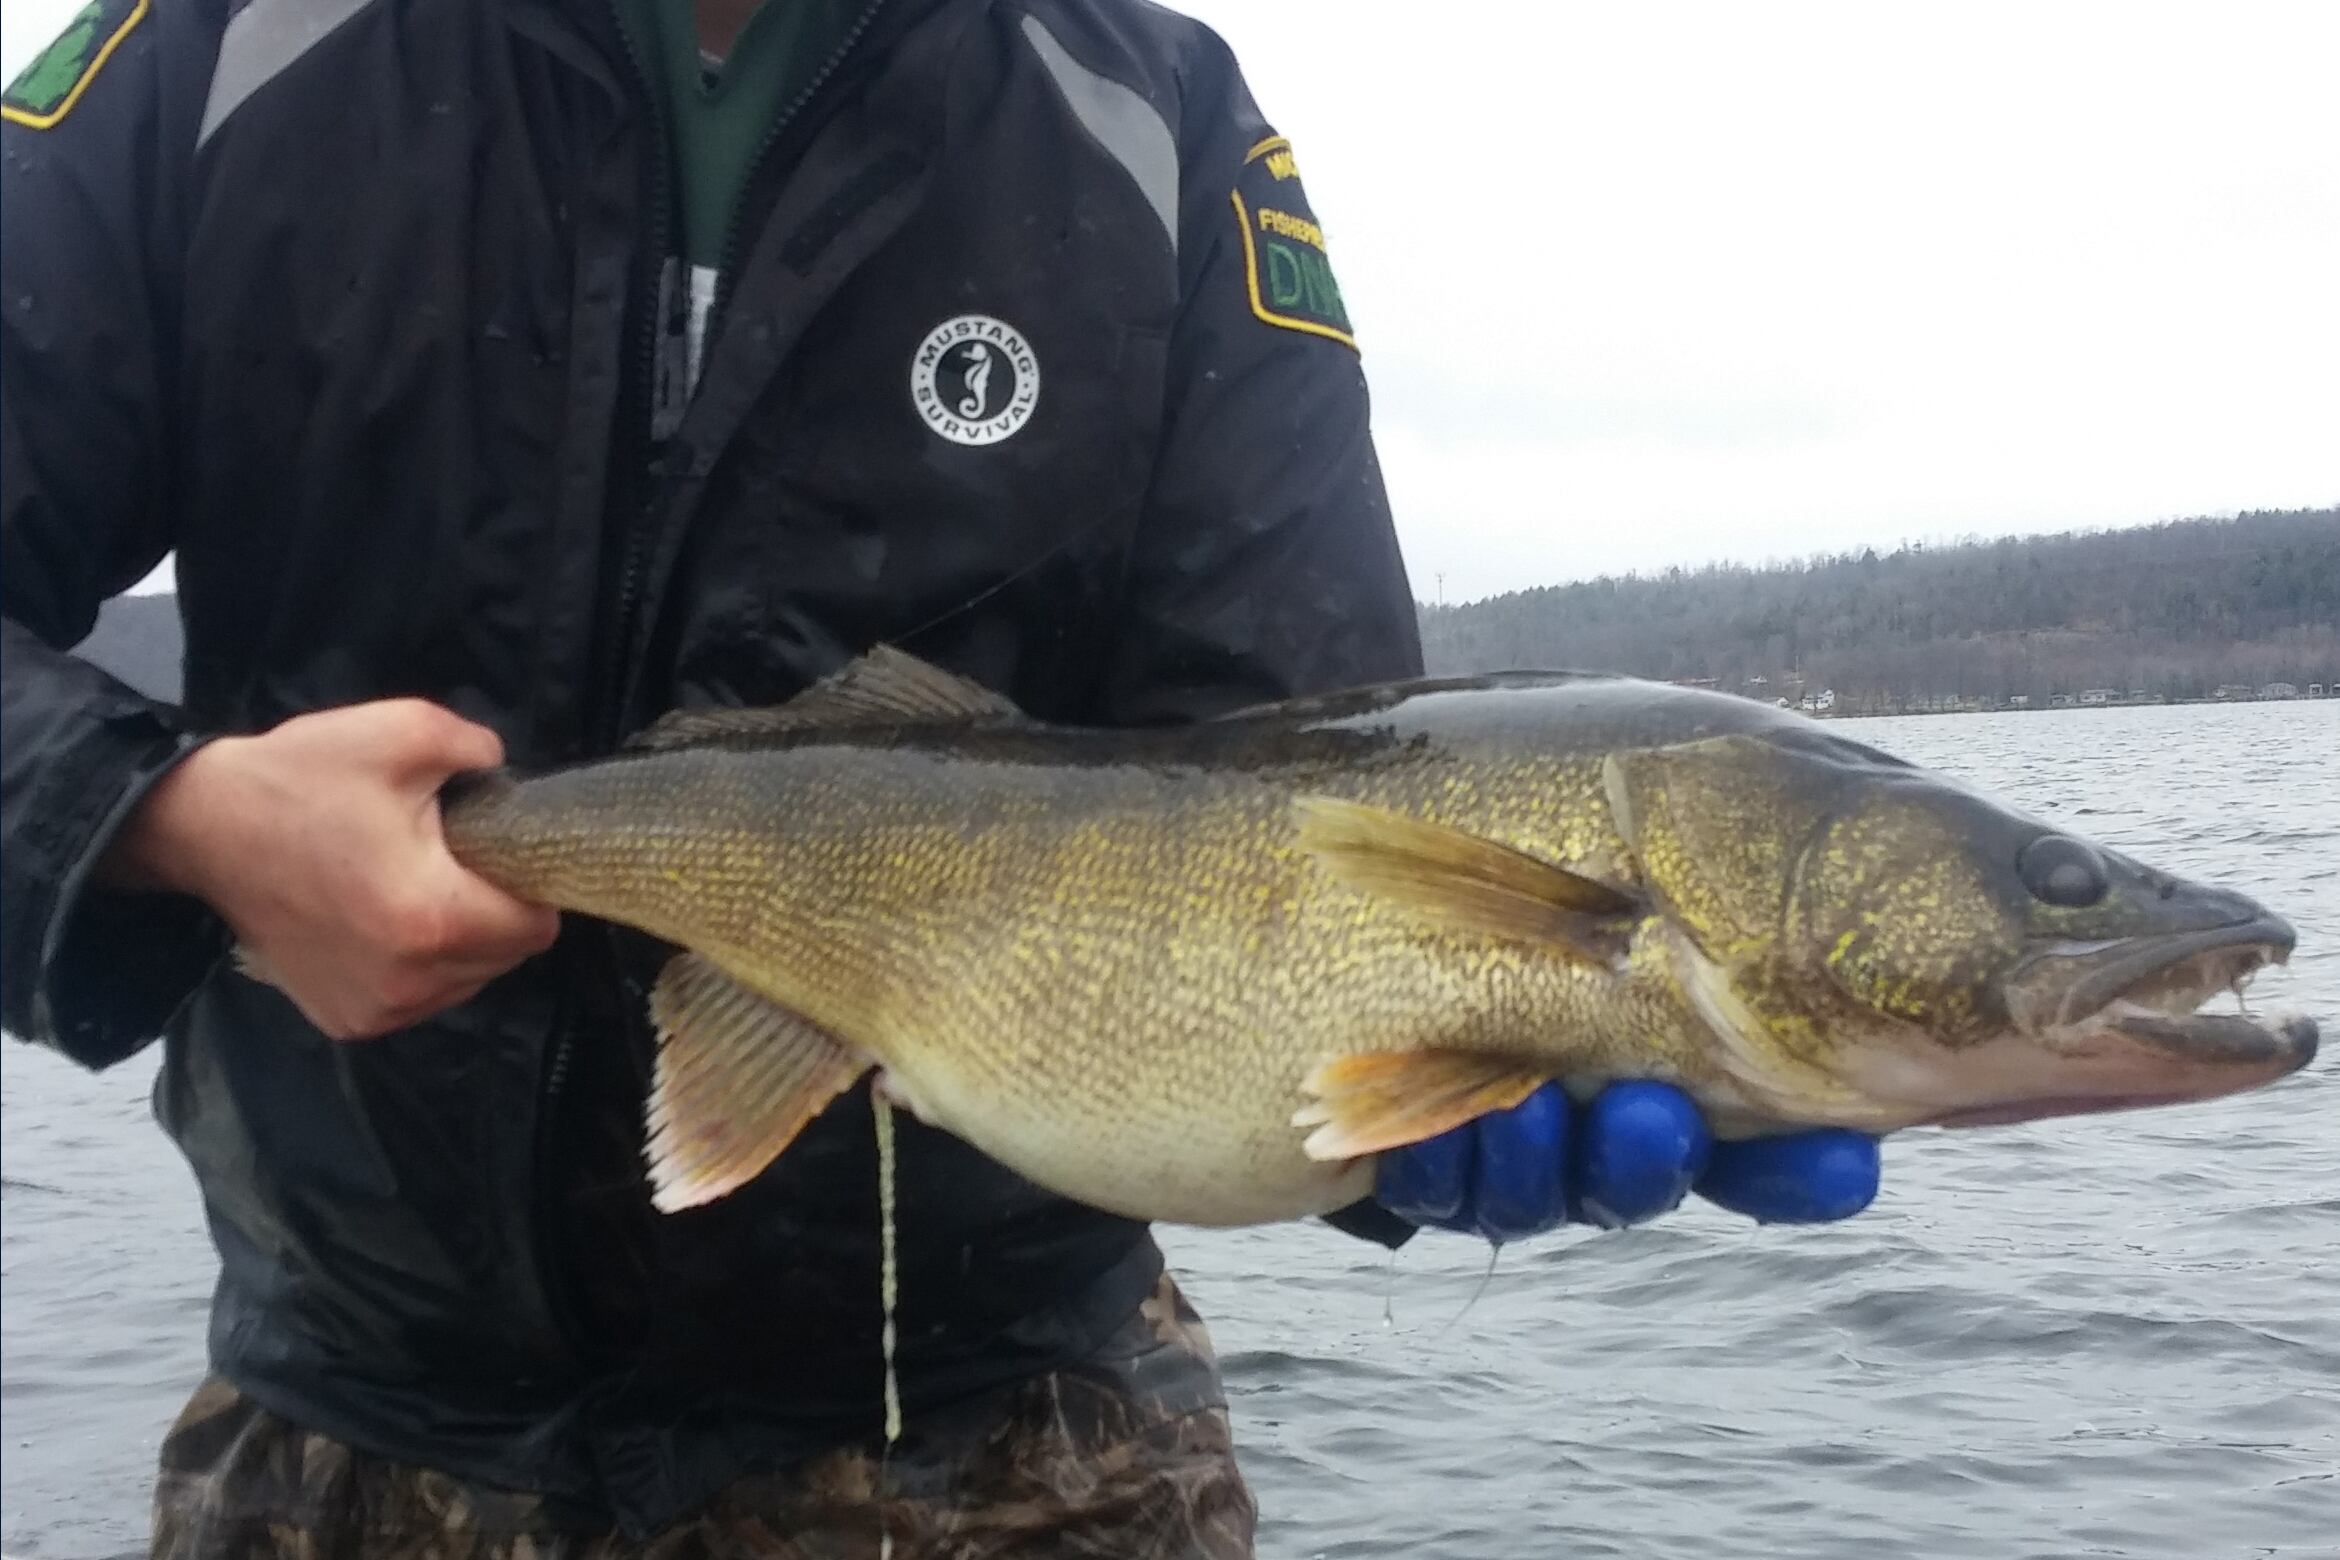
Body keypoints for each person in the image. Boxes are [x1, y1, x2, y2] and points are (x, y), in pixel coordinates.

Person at [0, 0, 1880, 1552]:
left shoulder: (1156, 123)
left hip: (1019, 1454)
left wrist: (1429, 1109)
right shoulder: (214, 56)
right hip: (347, 1438)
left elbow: (1313, 773)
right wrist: (169, 827)